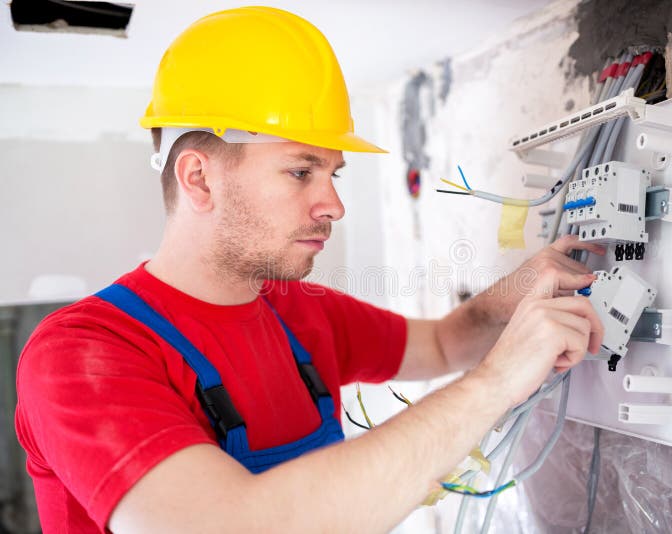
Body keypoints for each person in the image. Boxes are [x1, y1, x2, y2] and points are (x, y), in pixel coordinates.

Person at [15, 7, 604, 533]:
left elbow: (448, 342)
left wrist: (516, 293)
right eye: (301, 172)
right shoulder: (83, 355)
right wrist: (497, 382)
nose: (335, 205)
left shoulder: (301, 313)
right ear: (199, 178)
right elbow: (226, 525)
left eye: (334, 175)